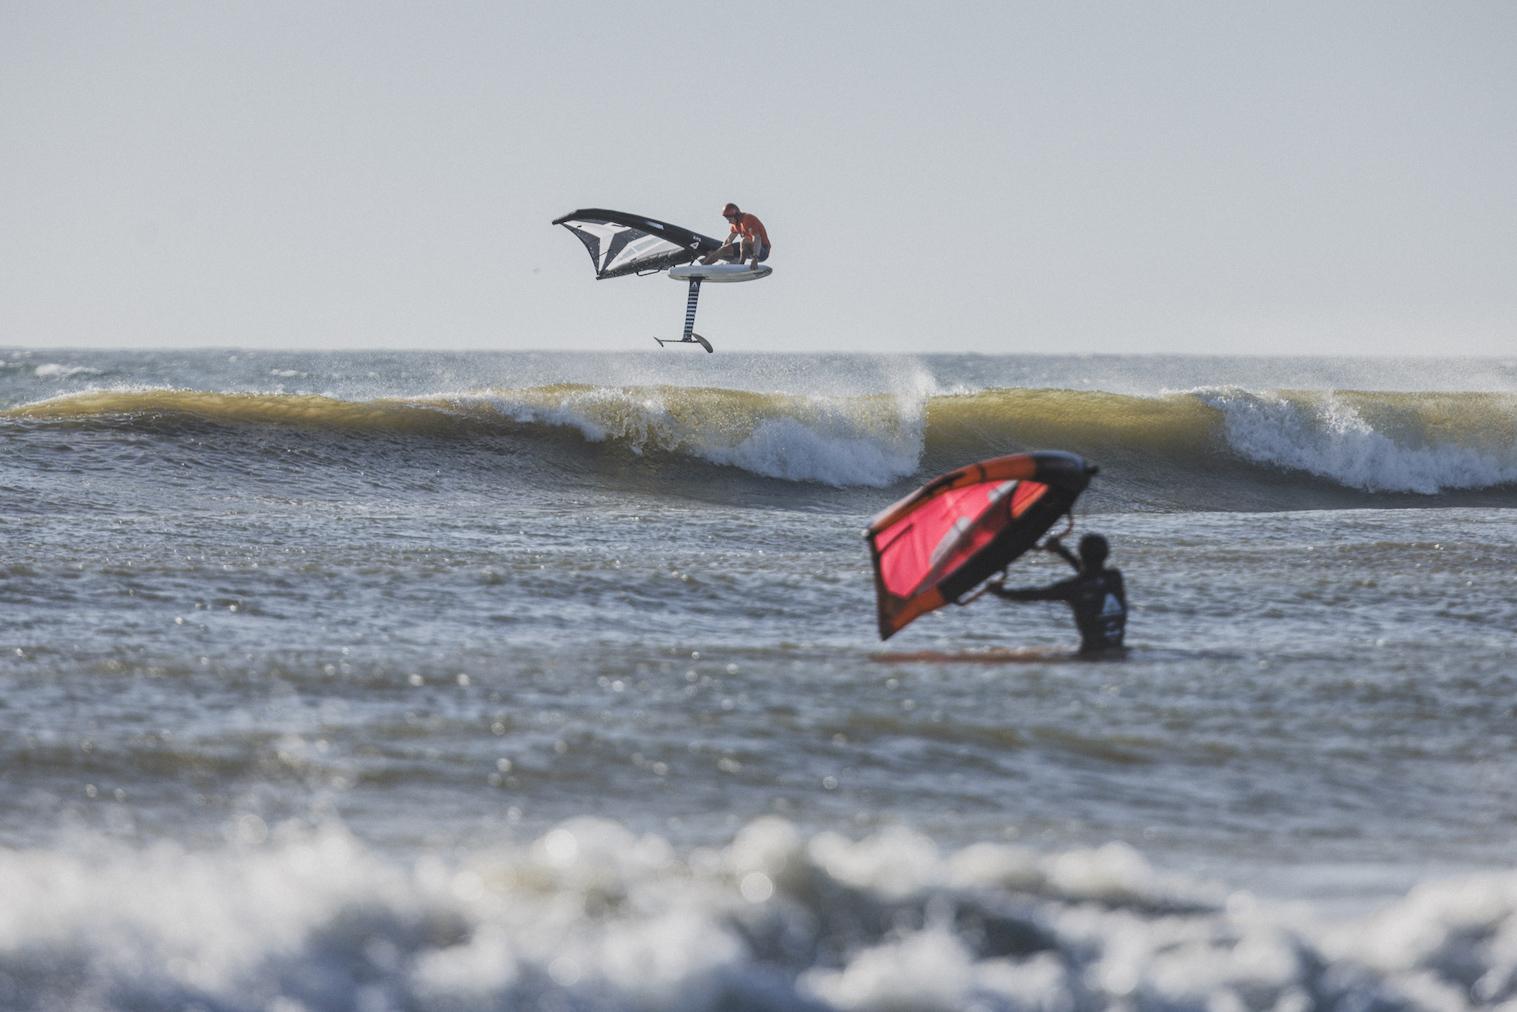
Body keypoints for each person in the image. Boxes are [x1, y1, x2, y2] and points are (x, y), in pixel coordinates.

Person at [986, 533, 1127, 656]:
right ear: (1106, 555)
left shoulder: (1072, 587)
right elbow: (1090, 575)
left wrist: (1002, 593)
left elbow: (1036, 595)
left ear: (1081, 554)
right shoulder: (1115, 577)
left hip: (1090, 656)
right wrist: (1061, 551)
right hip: (1118, 652)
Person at [701, 203, 771, 269]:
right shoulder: (736, 225)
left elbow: (757, 238)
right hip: (747, 251)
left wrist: (755, 258)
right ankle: (704, 266)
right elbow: (728, 240)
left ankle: (741, 263)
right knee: (724, 249)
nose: (729, 222)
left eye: (730, 219)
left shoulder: (748, 219)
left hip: (761, 251)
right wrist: (716, 253)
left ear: (737, 216)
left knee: (744, 241)